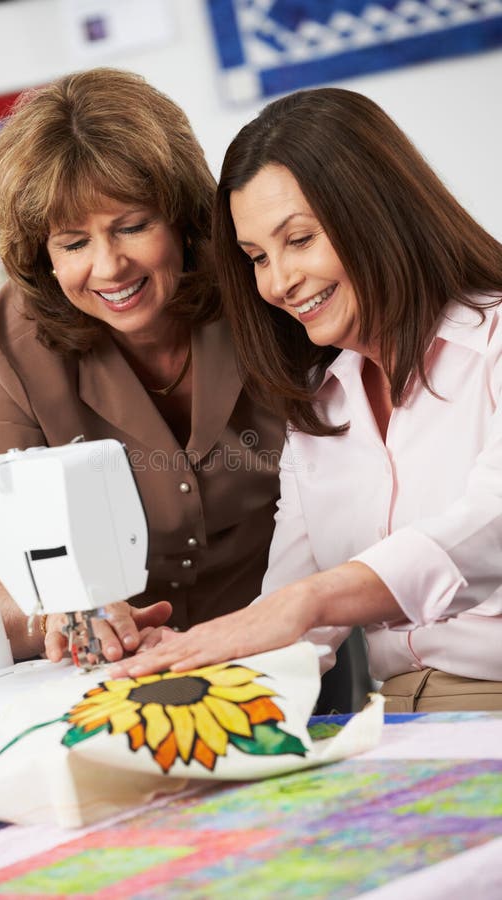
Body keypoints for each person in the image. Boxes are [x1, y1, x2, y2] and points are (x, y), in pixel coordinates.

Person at [111, 87, 502, 713]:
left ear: (380, 211)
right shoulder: (320, 409)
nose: (278, 282)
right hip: (399, 719)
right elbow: (291, 628)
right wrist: (185, 659)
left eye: (299, 240)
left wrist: (313, 600)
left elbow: (489, 529)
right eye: (257, 257)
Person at [0, 68, 285, 665]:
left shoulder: (262, 282)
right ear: (43, 255)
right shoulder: (12, 340)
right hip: (112, 677)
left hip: (286, 648)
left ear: (182, 220)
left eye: (132, 226)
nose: (109, 267)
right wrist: (55, 608)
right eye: (73, 243)